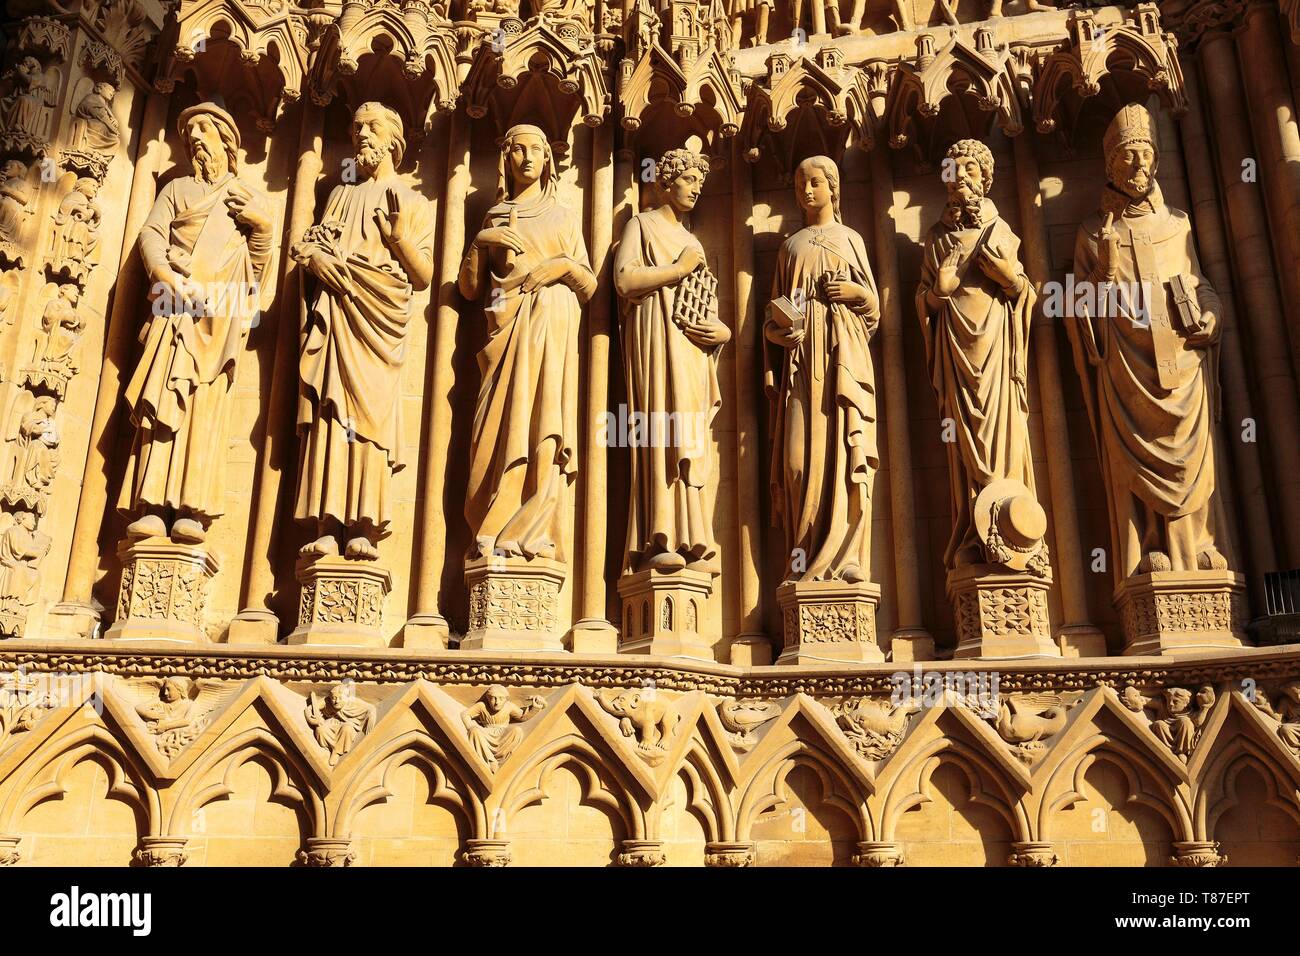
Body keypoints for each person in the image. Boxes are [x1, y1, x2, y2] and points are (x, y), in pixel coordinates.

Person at [1068, 103, 1228, 581]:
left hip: (1182, 359)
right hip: (1127, 365)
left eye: (1145, 156)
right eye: (1127, 157)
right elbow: (1078, 312)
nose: (1138, 166)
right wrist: (1102, 273)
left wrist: (1209, 319)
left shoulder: (1177, 224)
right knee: (1135, 452)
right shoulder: (1094, 233)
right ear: (1110, 164)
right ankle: (1150, 547)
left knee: (1195, 453)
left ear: (1157, 160)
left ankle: (1201, 543)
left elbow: (1201, 285)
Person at [120, 102, 272, 544]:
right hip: (174, 308)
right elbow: (151, 234)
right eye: (190, 135)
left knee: (204, 409)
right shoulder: (177, 190)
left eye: (204, 130)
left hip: (220, 318)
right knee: (163, 398)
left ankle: (192, 506)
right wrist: (166, 276)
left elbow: (257, 272)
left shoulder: (246, 198)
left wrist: (260, 227)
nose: (197, 140)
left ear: (227, 140)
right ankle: (150, 502)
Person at [294, 102, 434, 560]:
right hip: (337, 316)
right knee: (332, 418)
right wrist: (314, 258)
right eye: (355, 129)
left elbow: (423, 275)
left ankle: (364, 524)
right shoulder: (339, 195)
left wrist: (396, 239)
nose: (360, 137)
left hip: (378, 321)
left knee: (368, 426)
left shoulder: (411, 201)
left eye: (371, 128)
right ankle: (327, 520)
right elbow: (310, 246)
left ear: (394, 139)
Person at [460, 124, 596, 563]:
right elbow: (468, 290)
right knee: (497, 431)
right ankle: (491, 524)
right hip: (504, 335)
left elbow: (589, 284)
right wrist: (482, 242)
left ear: (548, 158)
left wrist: (558, 267)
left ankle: (533, 530)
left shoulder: (562, 217)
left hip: (551, 333)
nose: (527, 157)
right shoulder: (494, 218)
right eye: (517, 149)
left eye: (536, 149)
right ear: (506, 158)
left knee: (543, 424)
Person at [615, 148, 730, 576]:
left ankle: (693, 537)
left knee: (691, 439)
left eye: (701, 181)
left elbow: (703, 304)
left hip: (690, 353)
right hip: (652, 340)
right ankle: (657, 536)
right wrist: (678, 269)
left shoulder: (693, 242)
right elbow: (626, 281)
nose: (697, 187)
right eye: (688, 179)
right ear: (665, 181)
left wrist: (722, 334)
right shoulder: (640, 225)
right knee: (660, 436)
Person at [765, 155, 879, 583]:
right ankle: (803, 556)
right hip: (800, 367)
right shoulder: (790, 247)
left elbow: (874, 311)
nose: (806, 190)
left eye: (815, 182)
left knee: (846, 454)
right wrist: (779, 333)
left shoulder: (850, 240)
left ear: (834, 188)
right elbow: (775, 315)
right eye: (799, 184)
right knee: (796, 464)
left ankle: (847, 558)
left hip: (842, 360)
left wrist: (852, 292)